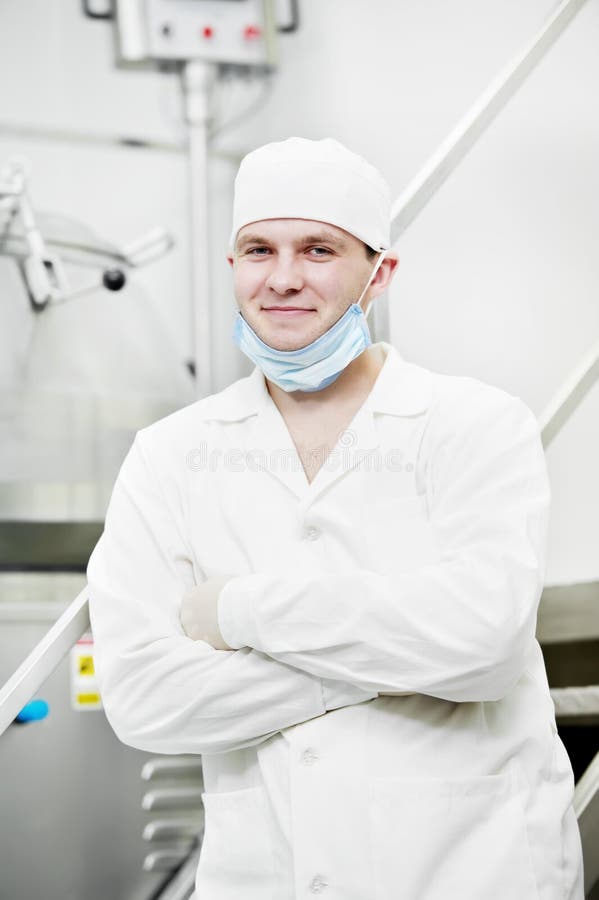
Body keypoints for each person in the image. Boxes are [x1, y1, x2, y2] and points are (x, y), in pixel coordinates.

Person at [87, 137, 584, 899]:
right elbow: (143, 700)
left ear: (377, 274)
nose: (282, 278)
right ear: (232, 269)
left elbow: (481, 640)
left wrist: (236, 609)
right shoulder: (170, 455)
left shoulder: (475, 424)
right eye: (259, 249)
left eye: (318, 249)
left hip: (472, 869)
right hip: (266, 875)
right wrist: (397, 663)